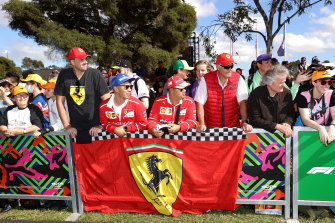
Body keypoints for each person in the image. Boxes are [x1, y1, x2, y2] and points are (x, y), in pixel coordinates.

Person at [54, 47, 110, 143]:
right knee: (79, 158)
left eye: (85, 58)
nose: (85, 62)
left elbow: (107, 101)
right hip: (75, 131)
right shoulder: (64, 75)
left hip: (97, 131)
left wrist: (101, 125)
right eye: (81, 59)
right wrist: (67, 126)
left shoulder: (95, 74)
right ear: (72, 62)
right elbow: (59, 102)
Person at [195, 52, 253, 133]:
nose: (230, 69)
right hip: (210, 128)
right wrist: (201, 124)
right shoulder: (206, 79)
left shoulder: (238, 78)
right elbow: (200, 103)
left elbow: (242, 102)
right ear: (218, 66)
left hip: (232, 128)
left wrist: (244, 122)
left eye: (231, 66)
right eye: (227, 66)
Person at [247, 65, 295, 137]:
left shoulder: (287, 93)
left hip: (282, 138)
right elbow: (254, 119)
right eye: (280, 83)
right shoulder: (256, 94)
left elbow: (291, 113)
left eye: (284, 82)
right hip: (260, 138)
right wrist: (276, 126)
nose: (284, 85)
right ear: (269, 82)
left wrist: (287, 123)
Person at [296, 70, 335, 146]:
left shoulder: (332, 94)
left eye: (329, 82)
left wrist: (333, 126)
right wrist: (320, 128)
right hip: (307, 132)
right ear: (314, 83)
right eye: (323, 82)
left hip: (327, 130)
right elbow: (305, 119)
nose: (327, 85)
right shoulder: (303, 96)